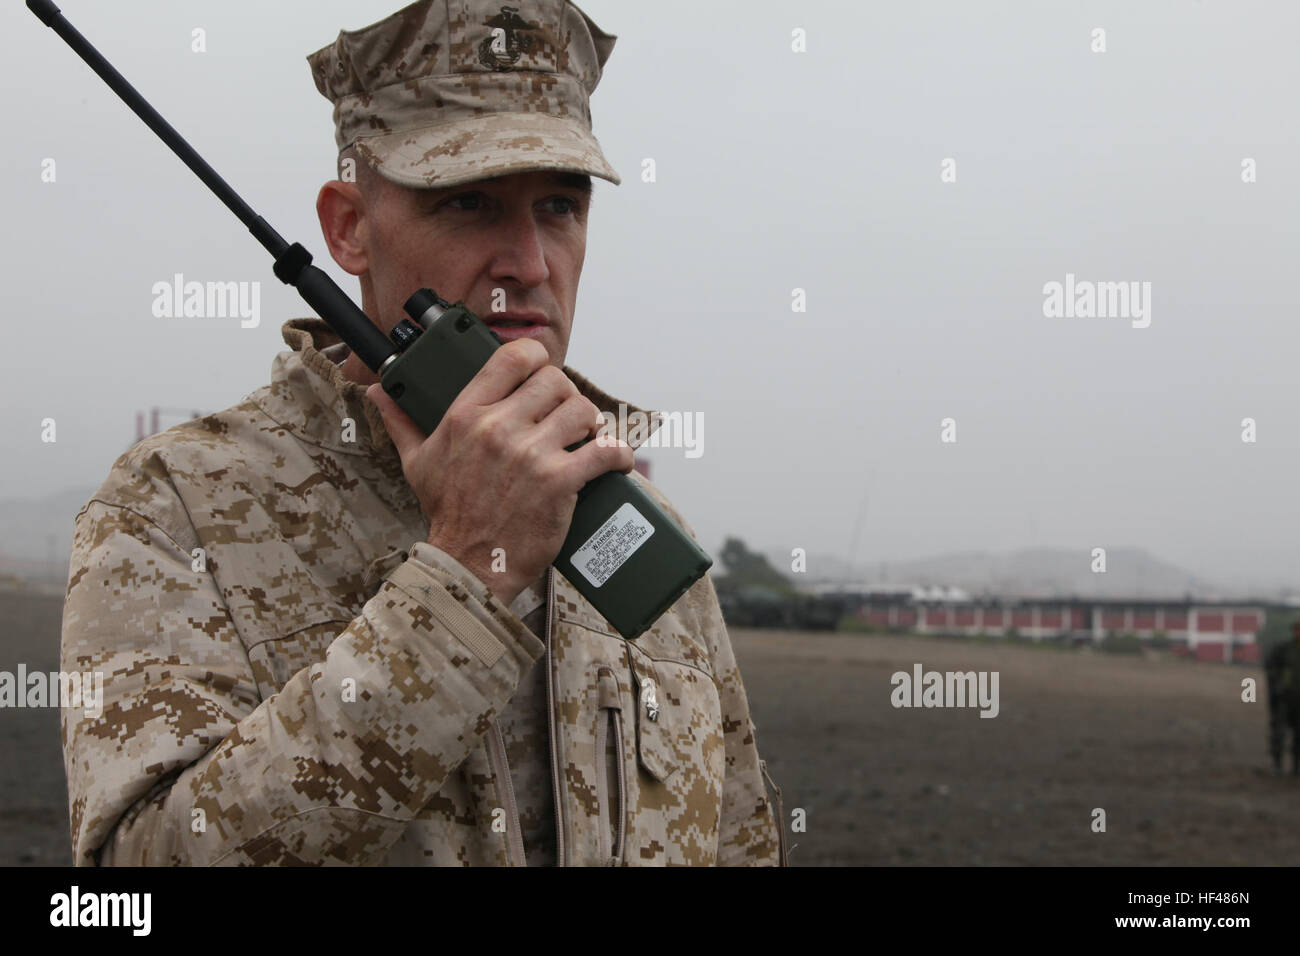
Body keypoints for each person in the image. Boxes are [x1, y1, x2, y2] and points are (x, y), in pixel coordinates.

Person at [60, 0, 785, 866]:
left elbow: (744, 842)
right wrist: (462, 580)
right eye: (468, 204)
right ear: (348, 228)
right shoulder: (175, 507)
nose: (530, 261)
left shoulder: (638, 533)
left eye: (559, 205)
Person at [1265, 621, 1300, 776]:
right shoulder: (1284, 649)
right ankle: (1278, 765)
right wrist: (1277, 684)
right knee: (1279, 733)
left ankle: (1296, 767)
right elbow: (1271, 666)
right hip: (1284, 699)